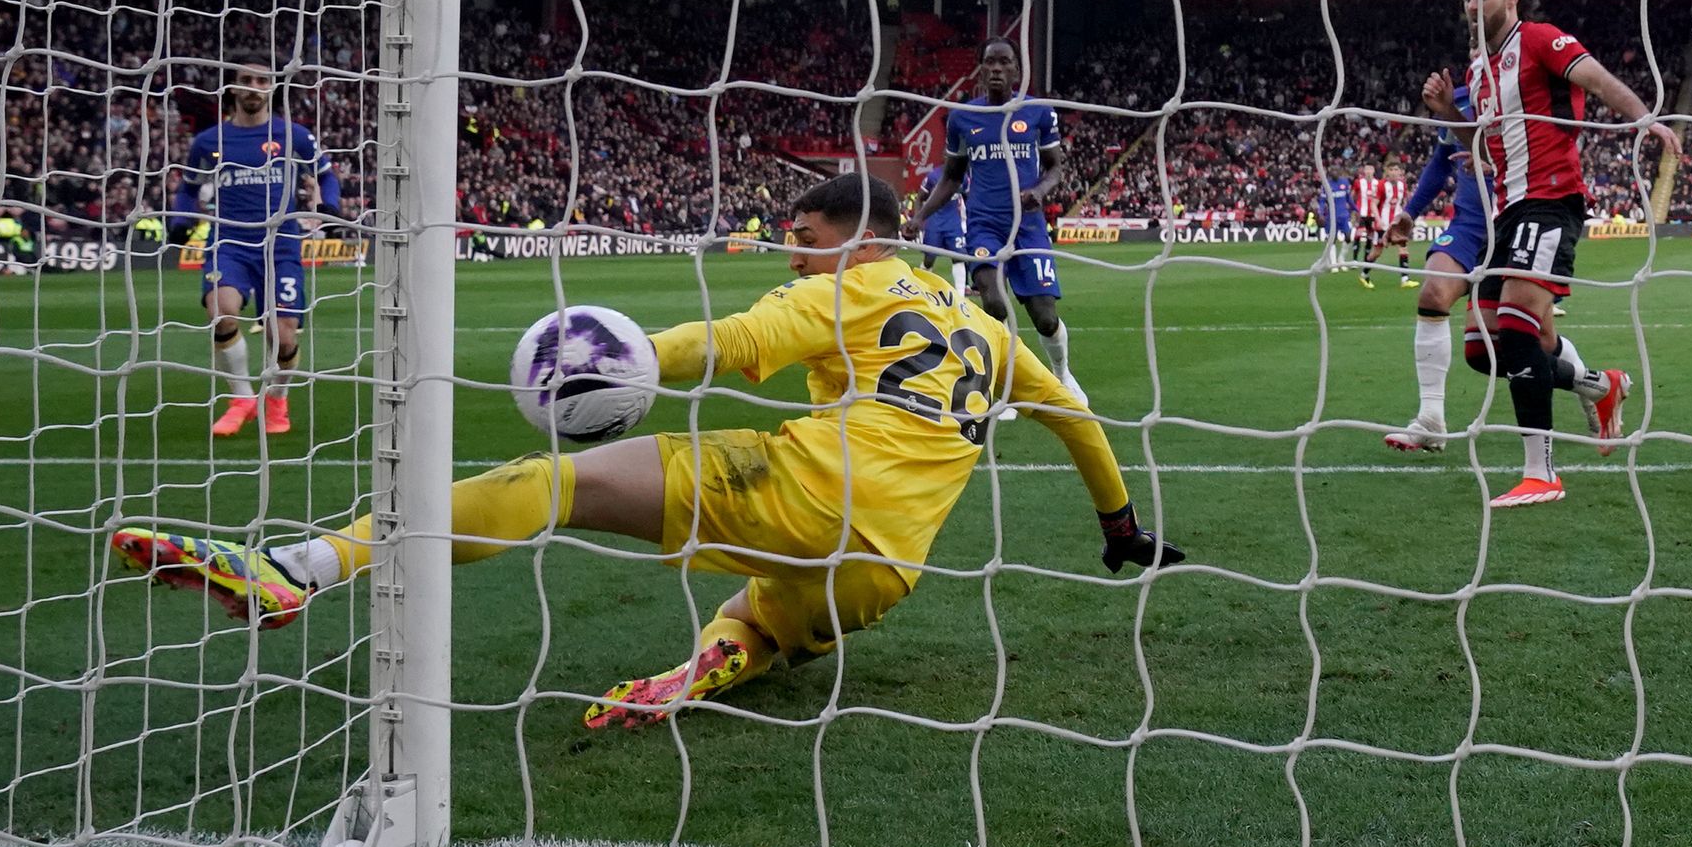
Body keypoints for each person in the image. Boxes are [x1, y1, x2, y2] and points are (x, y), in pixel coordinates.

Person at [111, 174, 1182, 729]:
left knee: (551, 483)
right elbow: (1077, 422)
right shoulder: (986, 332)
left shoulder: (843, 285)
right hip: (888, 568)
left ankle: (297, 572)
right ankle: (715, 665)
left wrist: (615, 360)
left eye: (800, 236)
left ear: (852, 235)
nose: (789, 250)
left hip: (803, 488)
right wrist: (1120, 529)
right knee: (768, 610)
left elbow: (736, 343)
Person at [1422, 0, 1678, 507]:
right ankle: (1600, 385)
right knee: (1480, 348)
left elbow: (1597, 77)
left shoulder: (1539, 39)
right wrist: (1449, 112)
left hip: (1549, 201)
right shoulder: (1479, 73)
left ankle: (1541, 473)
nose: (1472, 7)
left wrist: (1644, 117)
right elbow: (1481, 152)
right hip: (1504, 213)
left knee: (1514, 329)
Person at [1383, 80, 1619, 457]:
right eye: (1471, 39)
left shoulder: (1523, 90)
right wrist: (1410, 212)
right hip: (1470, 223)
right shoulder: (1457, 98)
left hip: (1519, 221)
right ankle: (1431, 420)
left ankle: (1592, 387)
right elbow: (1440, 160)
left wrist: (1497, 162)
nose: (1477, 46)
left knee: (1535, 340)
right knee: (1433, 294)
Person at [904, 38, 1084, 405]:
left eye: (1005, 63)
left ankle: (1062, 373)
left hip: (1028, 225)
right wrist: (920, 216)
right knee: (994, 303)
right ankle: (1005, 388)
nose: (998, 69)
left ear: (1018, 70)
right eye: (991, 63)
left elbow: (1055, 167)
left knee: (1044, 317)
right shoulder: (962, 117)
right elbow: (952, 178)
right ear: (982, 70)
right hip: (984, 224)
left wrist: (1039, 190)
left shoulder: (1037, 112)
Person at [171, 61, 341, 436]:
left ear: (271, 88)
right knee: (222, 310)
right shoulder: (208, 141)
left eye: (262, 81)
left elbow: (328, 177)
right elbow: (187, 187)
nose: (254, 87)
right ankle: (243, 399)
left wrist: (329, 209)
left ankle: (277, 399)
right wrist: (180, 221)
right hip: (229, 243)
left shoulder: (293, 135)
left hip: (281, 245)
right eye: (245, 81)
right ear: (231, 88)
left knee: (282, 335)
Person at [913, 161, 970, 291]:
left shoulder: (963, 177)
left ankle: (960, 296)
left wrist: (969, 217)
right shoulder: (933, 176)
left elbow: (968, 197)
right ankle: (921, 285)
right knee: (929, 258)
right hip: (934, 222)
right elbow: (919, 198)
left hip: (954, 223)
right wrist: (918, 219)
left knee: (959, 257)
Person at [1360, 162, 1418, 289]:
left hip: (1396, 224)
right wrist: (1378, 219)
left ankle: (1405, 279)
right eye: (1391, 169)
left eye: (1396, 169)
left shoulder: (1402, 185)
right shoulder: (1382, 185)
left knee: (1403, 248)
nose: (1393, 172)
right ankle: (1364, 274)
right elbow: (1373, 204)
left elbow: (1403, 202)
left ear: (1400, 172)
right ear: (1387, 172)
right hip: (1383, 224)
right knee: (1376, 252)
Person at [1315, 166, 1355, 270]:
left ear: (1340, 172)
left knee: (1348, 236)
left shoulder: (1344, 182)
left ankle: (1341, 259)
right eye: (1332, 170)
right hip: (1331, 217)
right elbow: (1322, 201)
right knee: (1332, 239)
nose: (1334, 172)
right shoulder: (1326, 184)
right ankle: (1333, 264)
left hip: (1344, 215)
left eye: (1336, 170)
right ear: (1329, 173)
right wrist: (1321, 213)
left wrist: (1356, 209)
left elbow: (1349, 199)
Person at [1351, 162, 1381, 288]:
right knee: (1358, 235)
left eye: (1370, 170)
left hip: (1372, 215)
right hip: (1361, 213)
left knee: (1370, 237)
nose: (1368, 172)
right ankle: (1354, 260)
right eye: (1366, 170)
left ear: (1373, 171)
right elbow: (1352, 195)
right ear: (1364, 171)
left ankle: (1365, 260)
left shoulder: (1378, 183)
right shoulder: (1359, 182)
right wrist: (1354, 210)